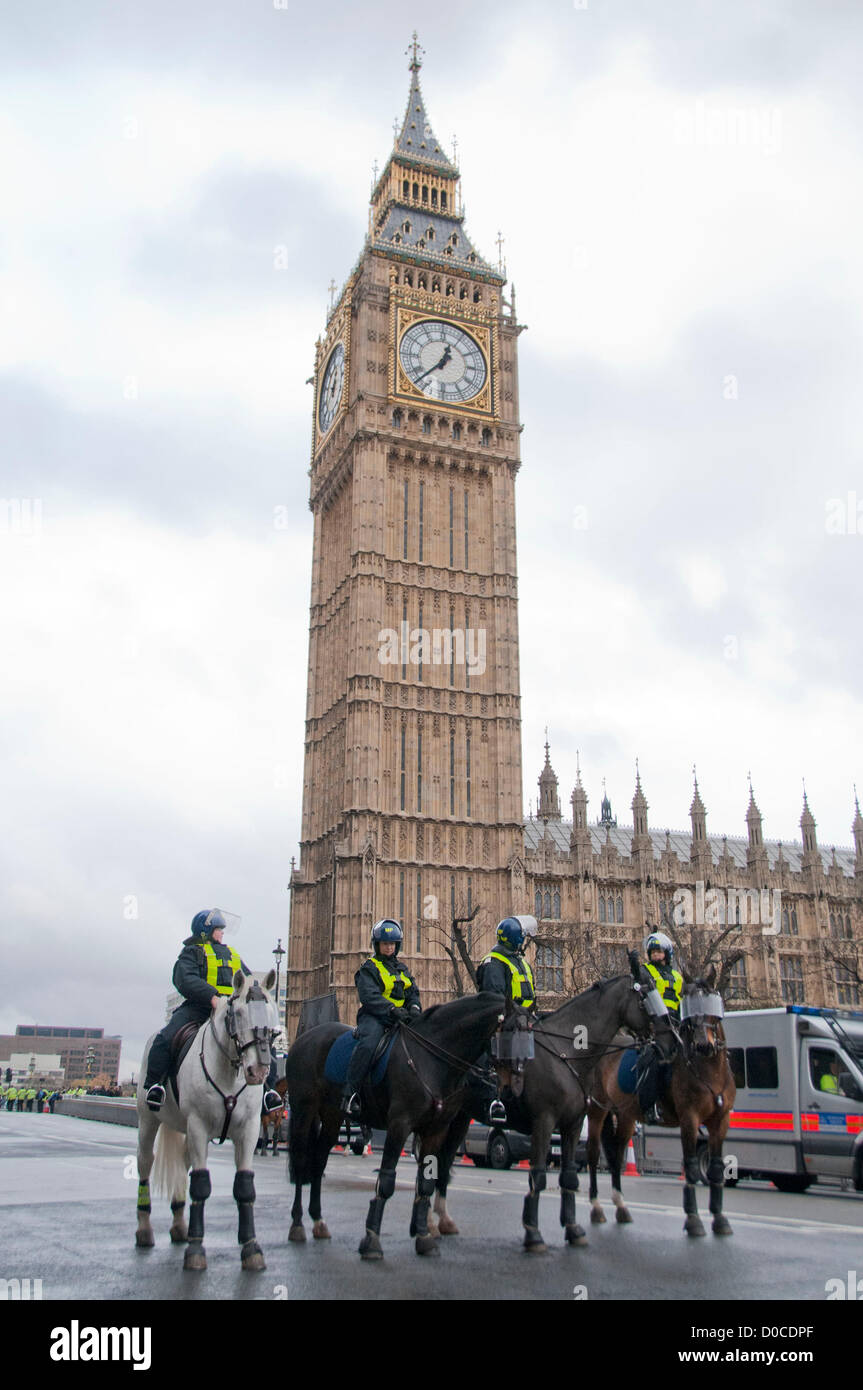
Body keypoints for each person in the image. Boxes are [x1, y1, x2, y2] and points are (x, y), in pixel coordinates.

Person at [143, 908, 282, 1115]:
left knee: (263, 1039)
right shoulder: (191, 953)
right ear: (205, 931)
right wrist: (212, 997)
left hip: (232, 1012)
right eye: (219, 929)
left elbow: (248, 980)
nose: (222, 933)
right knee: (165, 1038)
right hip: (200, 1008)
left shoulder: (232, 954)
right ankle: (155, 1086)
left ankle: (268, 1091)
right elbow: (185, 979)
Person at [341, 919, 421, 1118]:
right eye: (385, 944)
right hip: (375, 1017)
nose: (389, 947)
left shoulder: (402, 969)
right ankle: (351, 1093)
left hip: (401, 1018)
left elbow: (413, 992)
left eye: (392, 944)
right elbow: (369, 996)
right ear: (377, 945)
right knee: (368, 1044)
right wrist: (392, 1009)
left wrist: (414, 1007)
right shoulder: (369, 967)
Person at [476, 915, 538, 1123]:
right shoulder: (494, 963)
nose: (525, 942)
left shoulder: (521, 962)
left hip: (527, 1021)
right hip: (506, 1024)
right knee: (502, 1057)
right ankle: (497, 1100)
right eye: (523, 938)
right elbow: (494, 1001)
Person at [639, 928, 682, 1123]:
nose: (656, 955)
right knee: (651, 1059)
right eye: (653, 952)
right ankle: (649, 1105)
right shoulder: (646, 971)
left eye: (659, 951)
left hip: (675, 1024)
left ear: (667, 954)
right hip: (653, 1023)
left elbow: (682, 1001)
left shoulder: (678, 976)